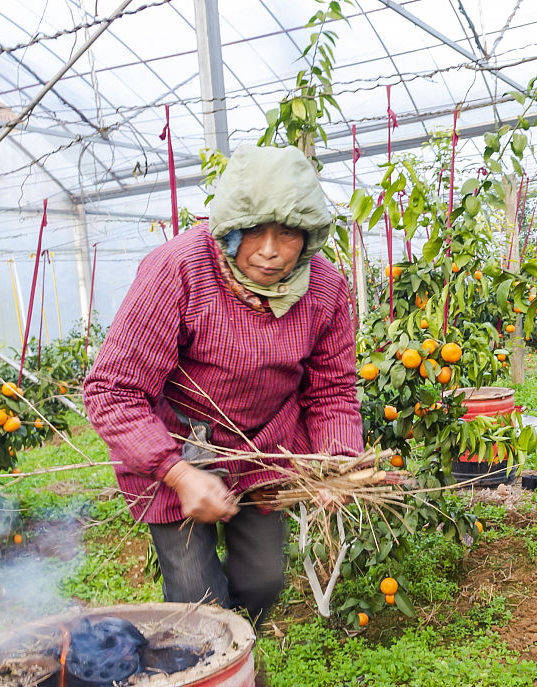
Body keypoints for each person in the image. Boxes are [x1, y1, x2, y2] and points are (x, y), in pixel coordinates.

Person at [83, 144, 363, 625]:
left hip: (263, 450)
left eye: (289, 233)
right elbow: (112, 390)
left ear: (310, 236)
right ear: (230, 227)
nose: (271, 250)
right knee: (200, 601)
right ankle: (223, 684)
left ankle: (237, 655)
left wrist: (334, 461)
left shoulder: (325, 291)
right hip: (174, 445)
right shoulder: (180, 271)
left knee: (263, 580)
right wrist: (179, 473)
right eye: (254, 230)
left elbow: (331, 390)